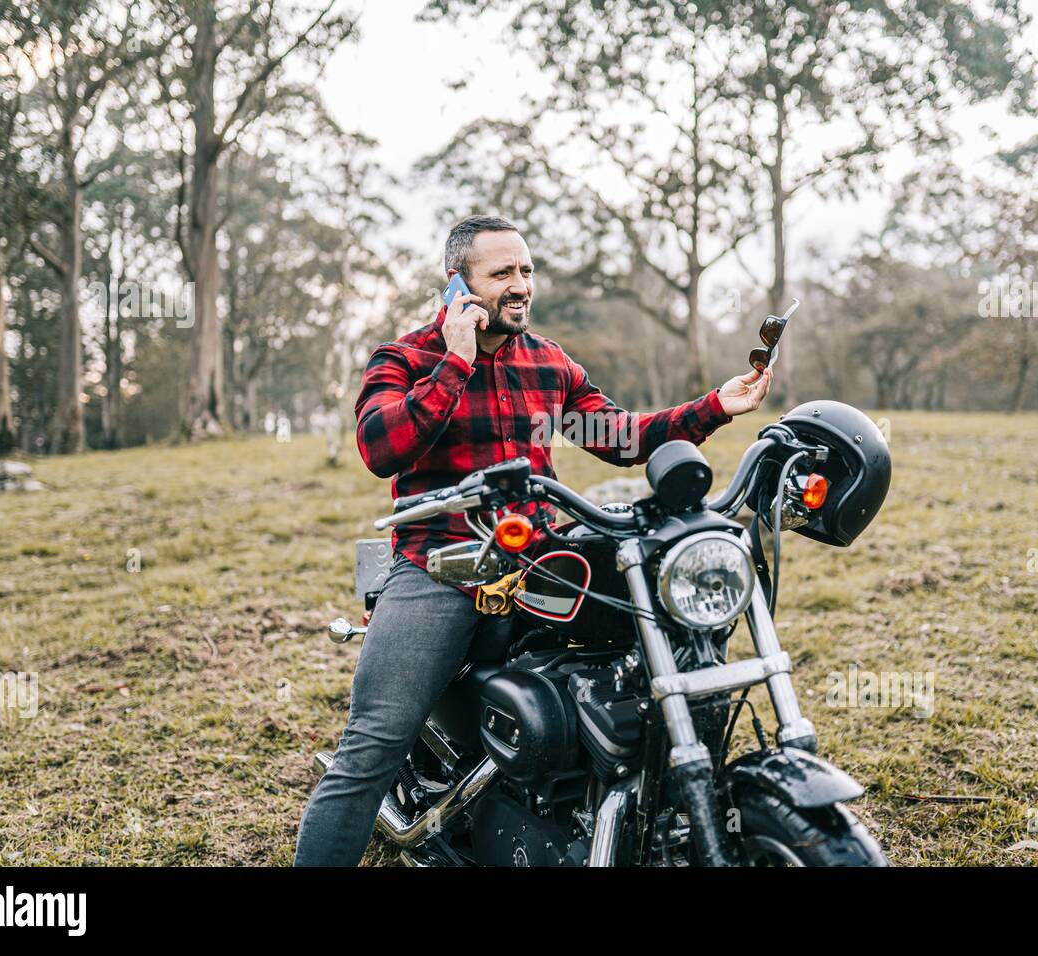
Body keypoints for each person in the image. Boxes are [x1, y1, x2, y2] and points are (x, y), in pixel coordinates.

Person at [294, 214, 772, 866]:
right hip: (444, 569)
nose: (521, 285)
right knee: (370, 748)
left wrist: (717, 403)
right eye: (502, 274)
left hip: (542, 564)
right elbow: (382, 448)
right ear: (458, 286)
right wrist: (456, 365)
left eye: (526, 270)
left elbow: (620, 436)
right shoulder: (404, 359)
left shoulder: (547, 362)